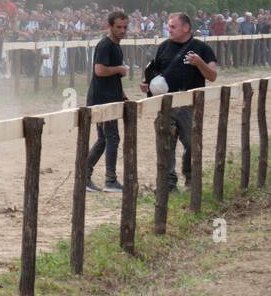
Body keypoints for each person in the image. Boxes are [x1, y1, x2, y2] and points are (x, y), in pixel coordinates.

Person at [141, 12, 218, 192]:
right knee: (166, 143)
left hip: (189, 104)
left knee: (191, 143)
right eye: (169, 26)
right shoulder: (163, 47)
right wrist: (148, 84)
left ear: (186, 28)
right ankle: (169, 183)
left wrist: (199, 63)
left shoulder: (202, 48)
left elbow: (212, 76)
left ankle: (190, 177)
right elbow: (155, 72)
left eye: (173, 26)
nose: (170, 29)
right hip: (166, 104)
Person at [85, 11, 128, 192]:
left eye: (125, 27)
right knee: (112, 137)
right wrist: (119, 68)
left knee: (104, 139)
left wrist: (122, 94)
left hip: (109, 96)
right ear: (110, 26)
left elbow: (113, 78)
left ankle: (84, 174)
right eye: (118, 27)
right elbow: (100, 71)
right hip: (102, 99)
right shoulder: (105, 45)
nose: (122, 31)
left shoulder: (116, 46)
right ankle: (110, 180)